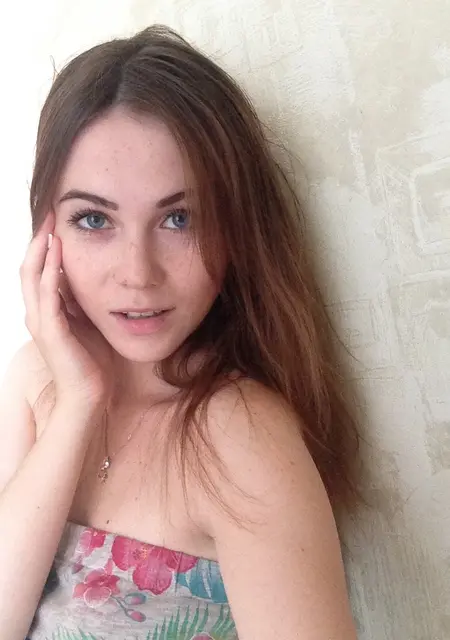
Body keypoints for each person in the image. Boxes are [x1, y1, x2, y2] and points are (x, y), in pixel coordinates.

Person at [0, 24, 361, 640]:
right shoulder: (39, 376)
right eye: (94, 219)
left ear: (237, 228)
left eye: (178, 218)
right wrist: (78, 405)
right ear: (46, 230)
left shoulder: (238, 436)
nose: (138, 274)